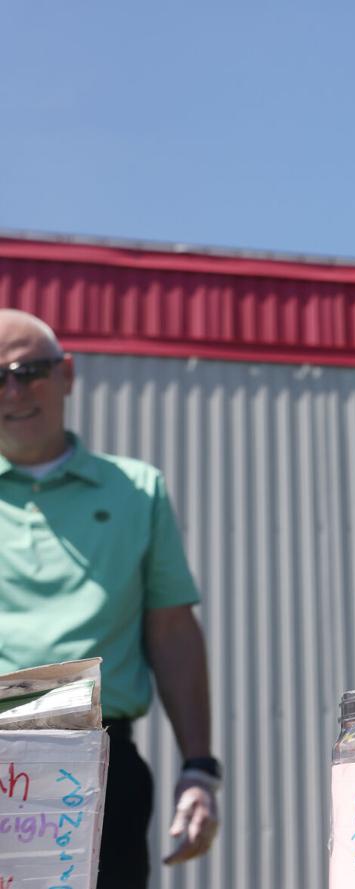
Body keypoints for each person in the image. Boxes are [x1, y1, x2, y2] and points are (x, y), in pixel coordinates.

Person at [0, 309, 221, 886]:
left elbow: (172, 631)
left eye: (30, 371)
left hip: (99, 765)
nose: (13, 390)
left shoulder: (137, 489)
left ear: (67, 373)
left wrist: (199, 768)